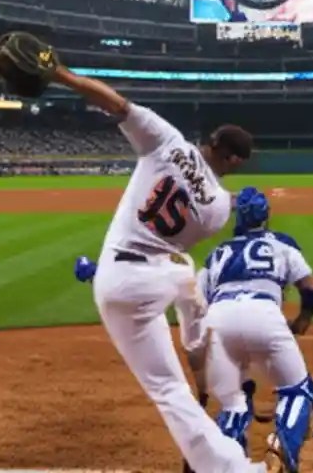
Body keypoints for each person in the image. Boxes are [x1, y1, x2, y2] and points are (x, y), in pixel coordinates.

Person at [49, 64, 275, 472]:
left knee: (167, 386)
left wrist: (60, 74)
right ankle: (224, 434)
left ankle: (232, 467)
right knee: (172, 375)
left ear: (211, 140)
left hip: (121, 279)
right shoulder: (220, 209)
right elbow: (183, 229)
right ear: (235, 159)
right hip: (160, 278)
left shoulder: (167, 139)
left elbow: (113, 103)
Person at [197, 187, 313, 472]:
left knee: (234, 396)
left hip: (218, 319)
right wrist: (303, 318)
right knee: (297, 390)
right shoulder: (282, 243)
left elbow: (196, 305)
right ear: (266, 215)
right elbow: (310, 287)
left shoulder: (217, 253)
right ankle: (282, 447)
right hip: (264, 315)